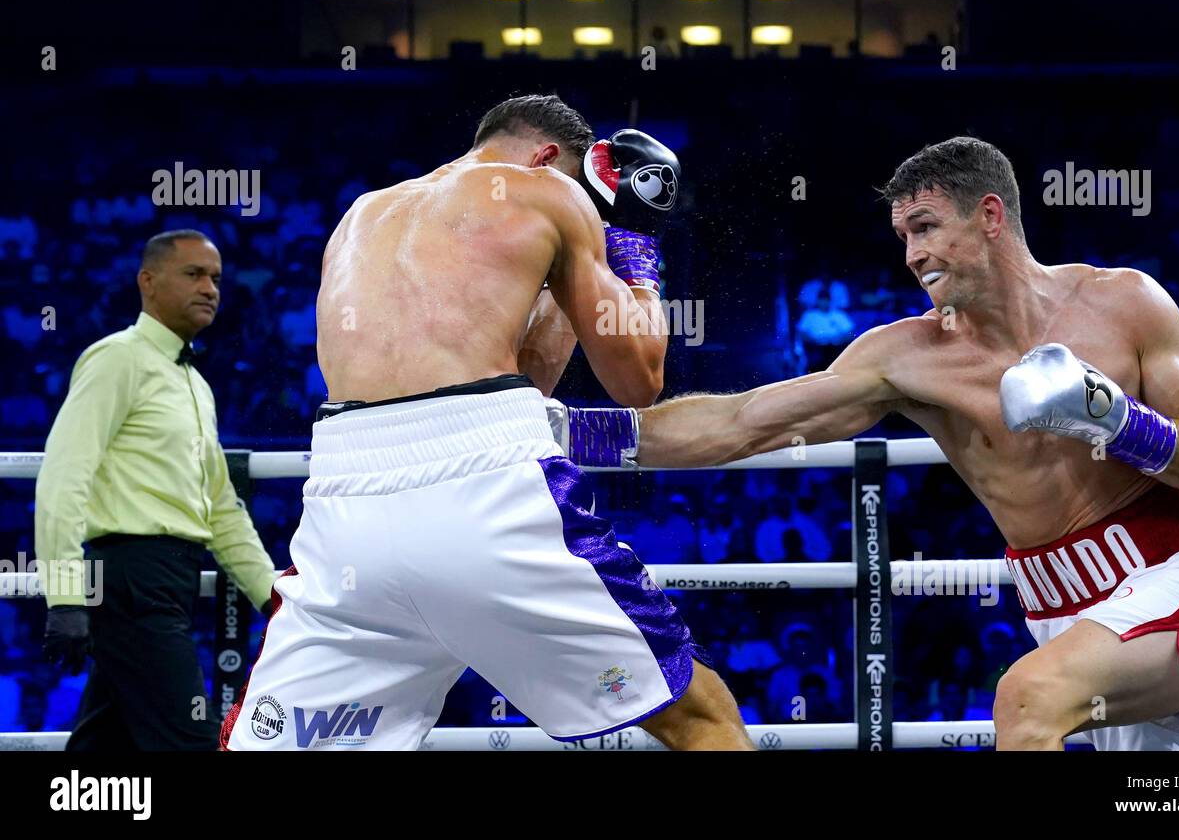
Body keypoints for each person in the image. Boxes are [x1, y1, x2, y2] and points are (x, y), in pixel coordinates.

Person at [554, 136, 1179, 751]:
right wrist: (569, 431)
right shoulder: (905, 358)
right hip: (1065, 611)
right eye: (903, 238)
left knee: (1028, 698)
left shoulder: (1123, 302)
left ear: (990, 216)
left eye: (926, 227)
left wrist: (1113, 417)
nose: (914, 254)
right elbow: (742, 423)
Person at [221, 95, 752, 751]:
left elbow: (514, 383)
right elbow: (637, 377)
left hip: (343, 512)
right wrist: (634, 240)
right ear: (551, 158)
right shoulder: (549, 192)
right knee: (701, 717)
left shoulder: (364, 214)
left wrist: (560, 279)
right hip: (484, 493)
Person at [35, 230, 279, 750]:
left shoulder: (195, 384)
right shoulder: (117, 359)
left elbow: (220, 508)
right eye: (194, 274)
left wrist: (273, 597)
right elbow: (64, 474)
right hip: (130, 578)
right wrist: (63, 593)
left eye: (215, 278)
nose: (210, 288)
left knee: (103, 747)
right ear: (148, 281)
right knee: (189, 740)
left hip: (170, 580)